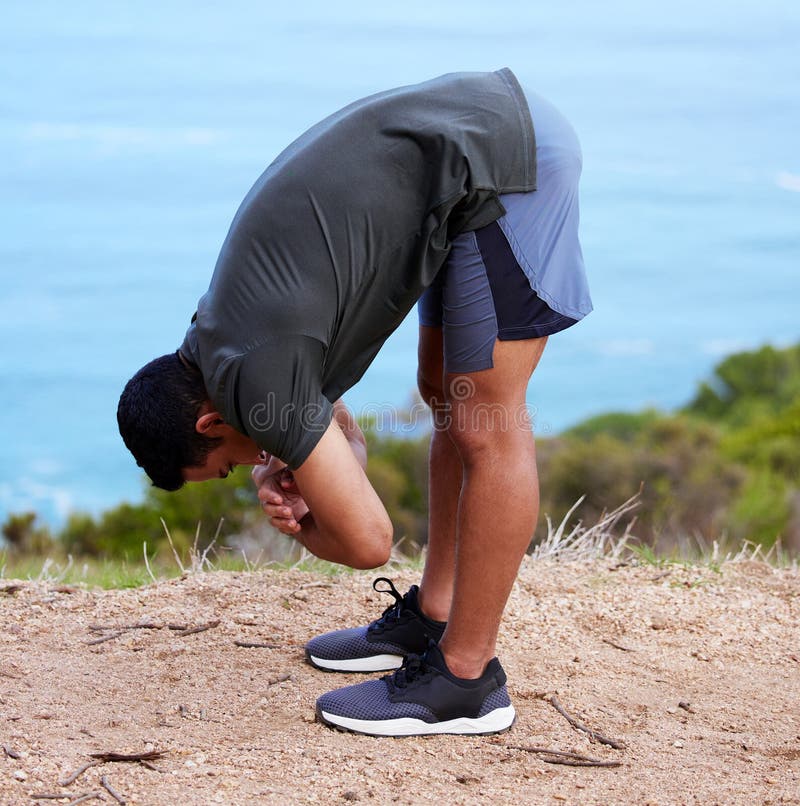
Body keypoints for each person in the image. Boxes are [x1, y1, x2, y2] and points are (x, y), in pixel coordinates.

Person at [117, 68, 592, 737]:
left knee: (486, 419)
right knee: (444, 393)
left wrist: (307, 530)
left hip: (506, 162)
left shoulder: (251, 376)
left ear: (207, 422)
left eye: (224, 464)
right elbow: (337, 424)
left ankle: (465, 681)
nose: (242, 469)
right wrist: (308, 470)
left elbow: (369, 543)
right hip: (465, 151)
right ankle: (435, 614)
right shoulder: (216, 341)